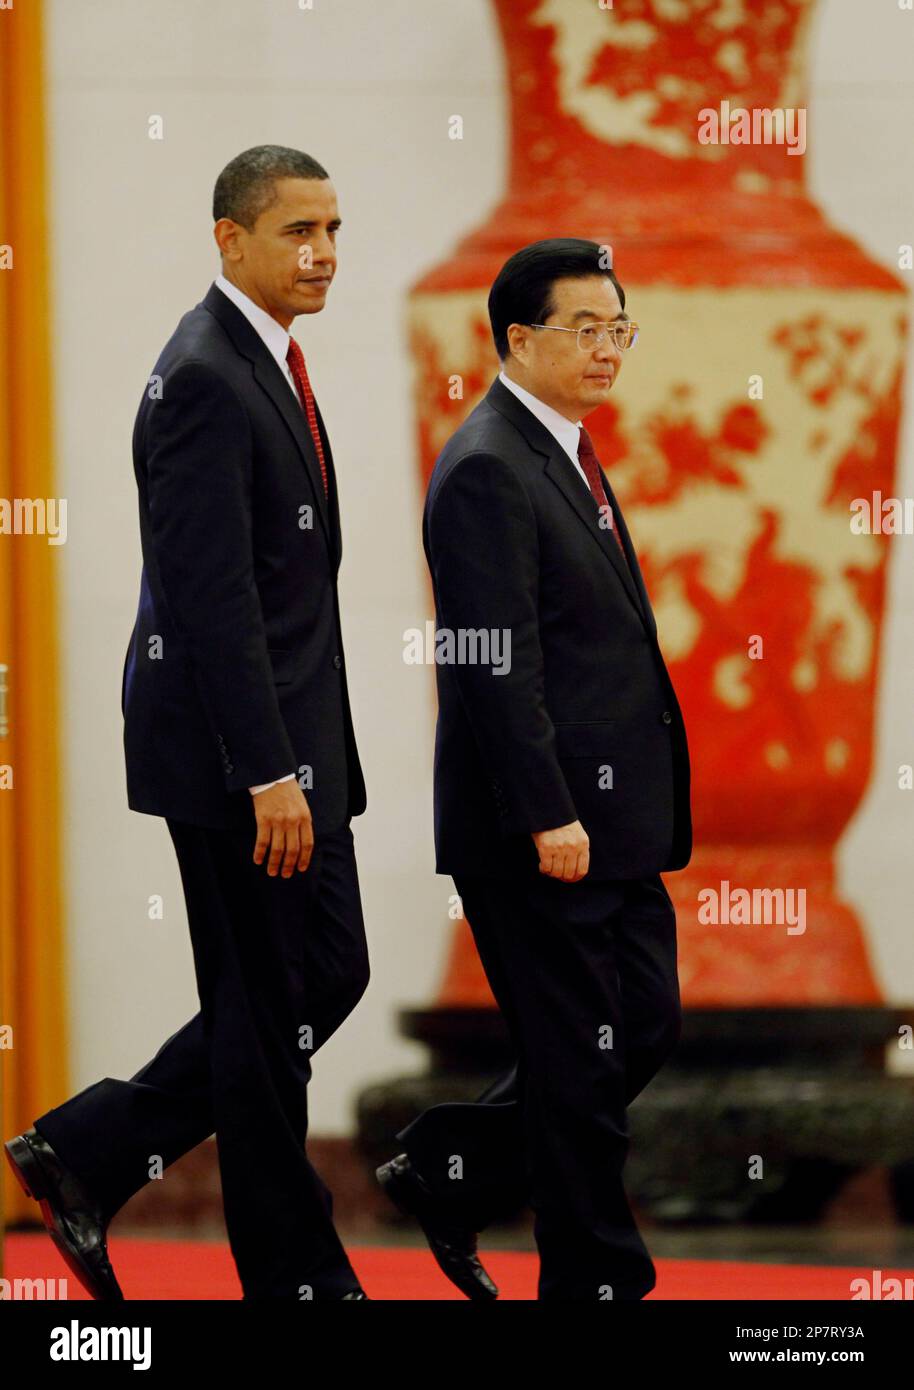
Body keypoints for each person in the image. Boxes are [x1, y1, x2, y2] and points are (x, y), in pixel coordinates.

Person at [4, 145, 371, 1302]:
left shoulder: (267, 360)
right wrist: (266, 771)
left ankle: (94, 1147)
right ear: (229, 238)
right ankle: (298, 1276)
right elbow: (210, 599)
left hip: (292, 751)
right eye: (296, 232)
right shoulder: (206, 373)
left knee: (321, 978)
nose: (320, 254)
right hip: (238, 759)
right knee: (266, 1021)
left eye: (332, 230)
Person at [377, 238, 692, 1302]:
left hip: (615, 828)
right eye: (585, 329)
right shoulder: (484, 467)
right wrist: (546, 812)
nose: (609, 349)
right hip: (541, 831)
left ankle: (447, 1166)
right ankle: (596, 1280)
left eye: (618, 328)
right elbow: (488, 664)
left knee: (636, 1025)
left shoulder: (562, 449)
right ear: (518, 338)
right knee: (575, 1060)